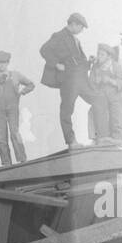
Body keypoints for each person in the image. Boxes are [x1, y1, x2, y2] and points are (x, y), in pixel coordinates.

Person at [39, 12, 95, 149]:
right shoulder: (59, 36)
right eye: (81, 27)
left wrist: (89, 63)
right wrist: (56, 64)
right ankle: (71, 142)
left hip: (81, 80)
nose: (82, 30)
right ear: (74, 24)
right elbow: (44, 50)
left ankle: (97, 137)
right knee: (66, 110)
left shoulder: (75, 39)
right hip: (68, 81)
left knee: (99, 100)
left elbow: (78, 62)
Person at [0, 50, 35, 165]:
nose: (1, 65)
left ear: (8, 62)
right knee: (1, 138)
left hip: (12, 109)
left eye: (4, 62)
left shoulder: (16, 75)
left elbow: (31, 84)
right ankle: (6, 164)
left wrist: (23, 91)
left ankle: (22, 160)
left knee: (15, 134)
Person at [87, 44, 122, 146]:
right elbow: (90, 82)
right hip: (101, 96)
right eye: (98, 54)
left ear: (109, 56)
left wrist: (110, 81)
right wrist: (96, 81)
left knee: (116, 117)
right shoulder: (95, 67)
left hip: (114, 96)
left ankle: (118, 139)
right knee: (93, 112)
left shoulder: (115, 66)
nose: (99, 57)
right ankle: (98, 138)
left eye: (102, 54)